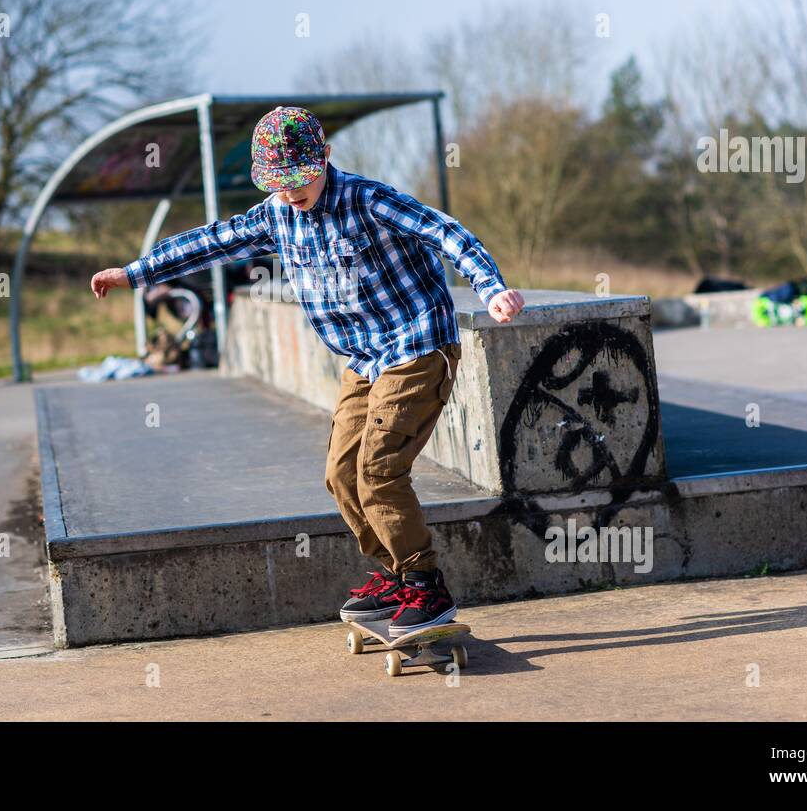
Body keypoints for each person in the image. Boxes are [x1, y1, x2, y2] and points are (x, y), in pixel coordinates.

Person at [91, 106, 525, 637]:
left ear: (324, 159)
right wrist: (135, 273)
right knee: (341, 476)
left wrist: (491, 287)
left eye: (301, 180)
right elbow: (208, 242)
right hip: (364, 362)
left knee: (379, 472)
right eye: (280, 184)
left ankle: (425, 585)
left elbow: (444, 231)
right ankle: (395, 577)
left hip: (417, 347)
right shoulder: (274, 215)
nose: (292, 193)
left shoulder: (369, 199)